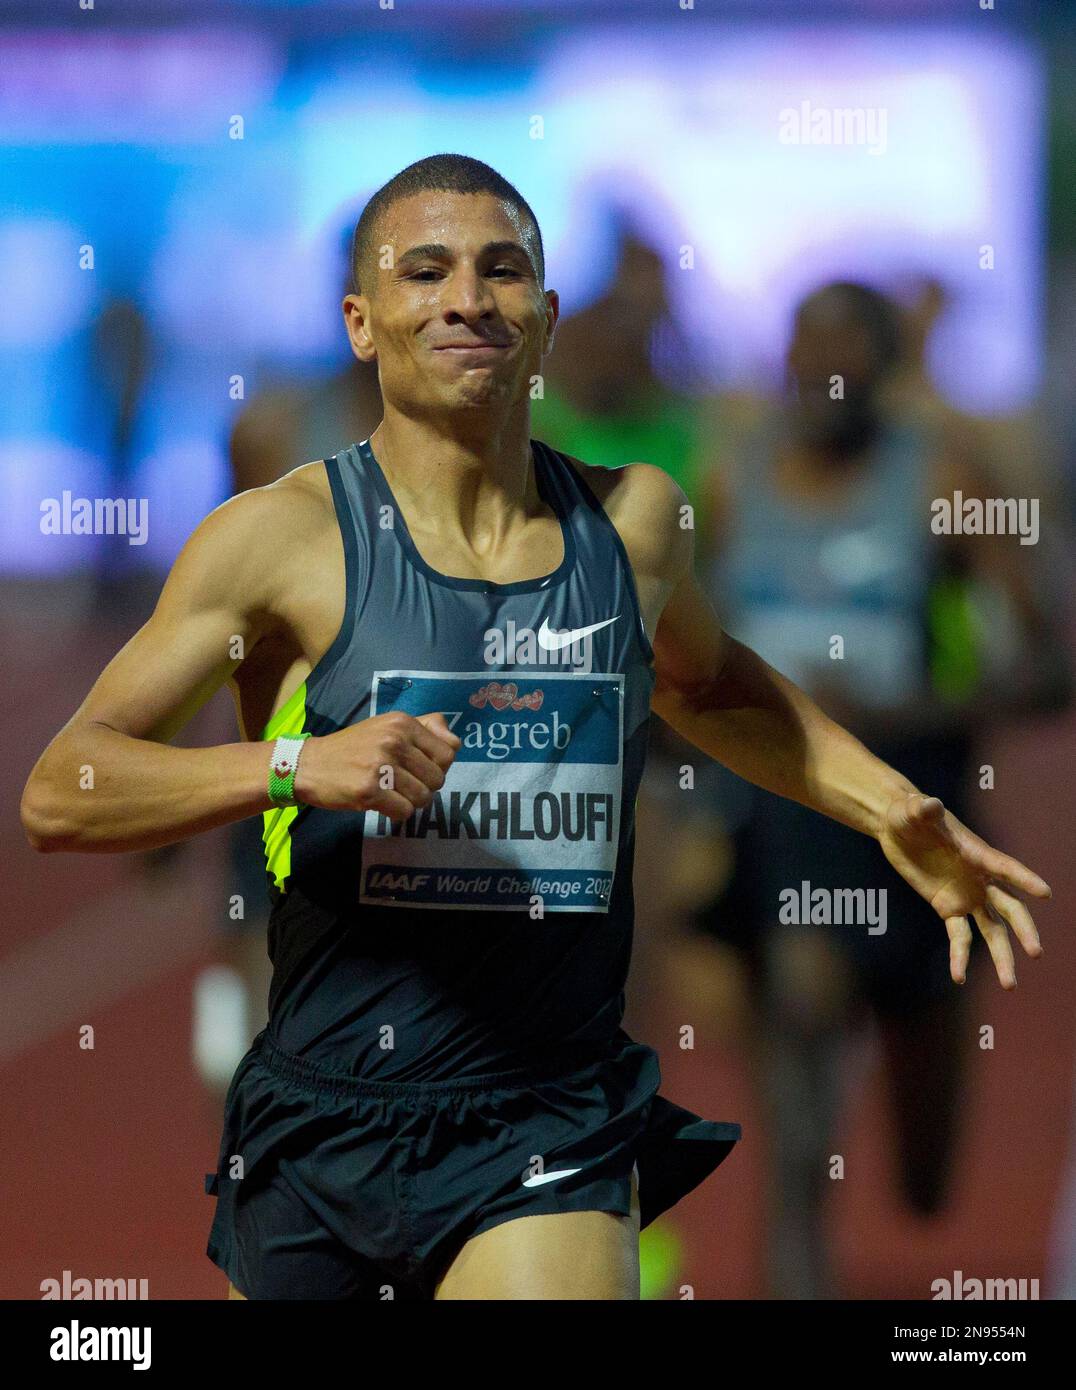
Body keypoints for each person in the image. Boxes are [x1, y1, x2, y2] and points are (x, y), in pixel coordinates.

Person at [20, 154, 1051, 1302]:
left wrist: (889, 805)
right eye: (425, 272)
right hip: (323, 1113)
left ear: (545, 318)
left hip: (545, 1115)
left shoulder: (633, 524)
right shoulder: (276, 540)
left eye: (500, 270)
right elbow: (63, 790)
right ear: (361, 322)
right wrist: (295, 765)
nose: (466, 298)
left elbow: (711, 687)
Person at [689, 281, 1065, 1298]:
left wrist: (894, 714)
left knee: (924, 1183)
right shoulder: (730, 479)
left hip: (914, 815)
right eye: (806, 354)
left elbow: (1047, 667)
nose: (824, 377)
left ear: (887, 372)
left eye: (848, 359)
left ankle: (905, 1058)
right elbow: (679, 655)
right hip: (777, 818)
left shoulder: (942, 480)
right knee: (800, 1049)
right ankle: (795, 1250)